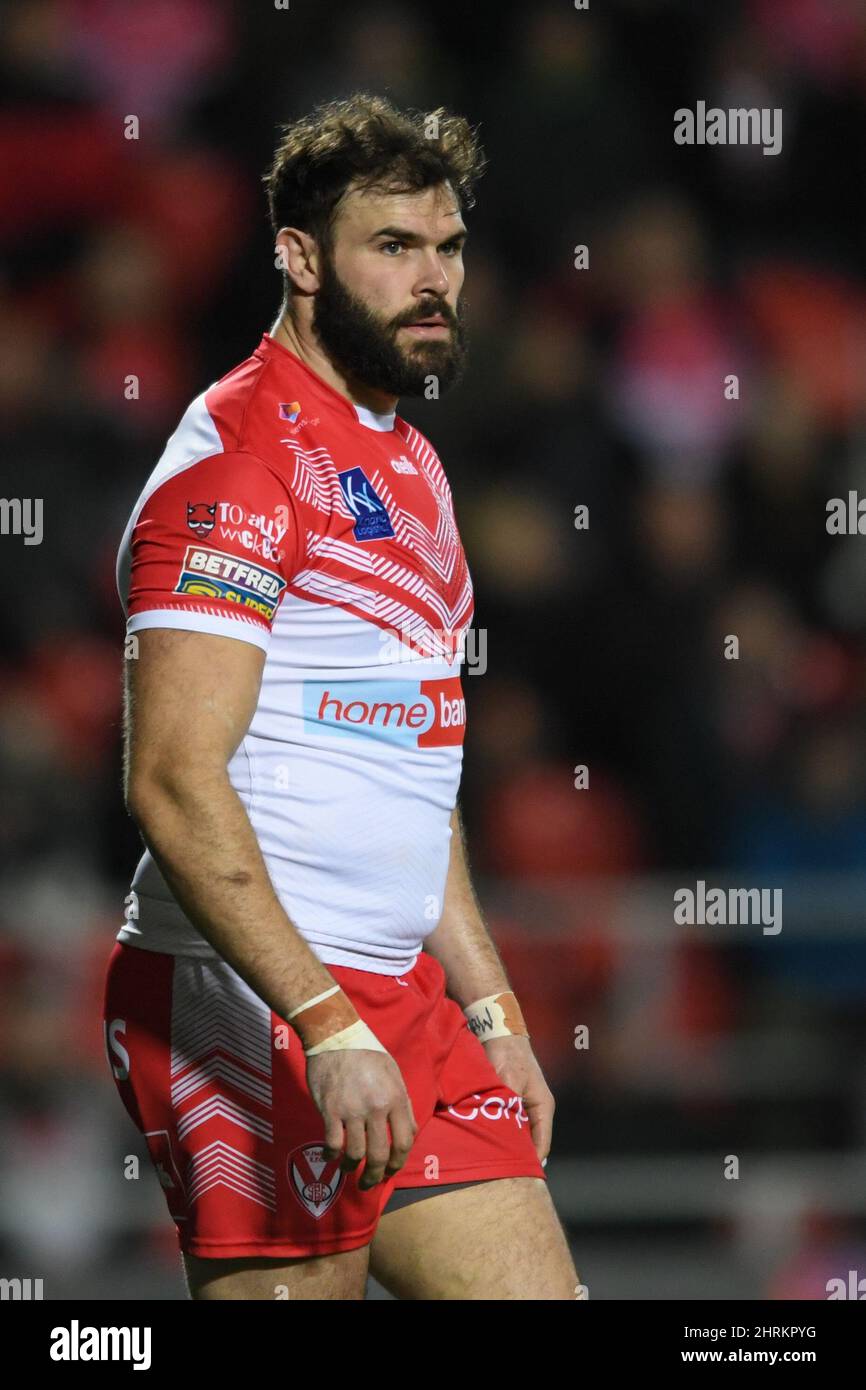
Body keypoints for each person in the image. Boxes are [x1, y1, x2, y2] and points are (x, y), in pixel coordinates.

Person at [103, 91, 581, 1301]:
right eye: (393, 247)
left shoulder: (409, 460)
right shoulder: (239, 459)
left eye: (448, 247)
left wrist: (491, 1006)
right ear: (300, 257)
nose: (433, 280)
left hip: (401, 996)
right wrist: (321, 1020)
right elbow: (167, 776)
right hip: (254, 994)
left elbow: (416, 765)